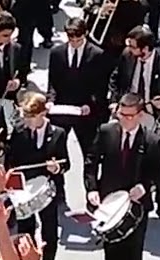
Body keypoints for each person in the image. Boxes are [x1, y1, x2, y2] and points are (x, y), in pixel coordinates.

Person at [84, 93, 160, 260]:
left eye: (130, 116)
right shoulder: (106, 131)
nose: (126, 120)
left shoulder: (152, 140)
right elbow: (91, 161)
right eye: (122, 115)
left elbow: (158, 172)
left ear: (140, 115)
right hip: (110, 201)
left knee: (134, 247)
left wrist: (144, 187)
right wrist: (92, 189)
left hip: (136, 204)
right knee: (111, 247)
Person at [110, 26, 160, 220]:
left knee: (159, 165)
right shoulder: (127, 56)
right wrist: (115, 101)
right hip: (130, 115)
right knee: (131, 161)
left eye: (133, 46)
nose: (129, 49)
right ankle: (141, 198)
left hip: (154, 118)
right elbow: (116, 79)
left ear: (146, 48)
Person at [4, 92, 69, 260]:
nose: (26, 121)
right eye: (25, 116)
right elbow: (11, 159)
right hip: (25, 188)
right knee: (25, 229)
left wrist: (56, 168)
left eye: (30, 117)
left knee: (49, 230)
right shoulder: (19, 131)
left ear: (42, 114)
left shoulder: (58, 133)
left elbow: (66, 162)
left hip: (48, 188)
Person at [46, 18, 108, 157]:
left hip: (85, 111)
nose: (74, 43)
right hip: (62, 109)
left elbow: (100, 86)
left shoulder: (97, 54)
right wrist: (50, 100)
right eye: (71, 39)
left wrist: (90, 104)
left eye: (78, 40)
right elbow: (53, 81)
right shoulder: (57, 52)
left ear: (85, 34)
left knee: (90, 153)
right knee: (55, 151)